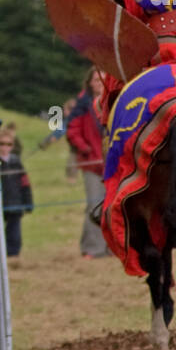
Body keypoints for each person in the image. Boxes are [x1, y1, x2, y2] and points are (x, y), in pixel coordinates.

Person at [66, 68, 109, 259]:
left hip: (112, 163)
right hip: (92, 163)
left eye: (103, 79)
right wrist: (85, 149)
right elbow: (72, 130)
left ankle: (110, 247)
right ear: (90, 82)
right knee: (94, 204)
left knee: (111, 206)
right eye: (96, 79)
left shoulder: (116, 100)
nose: (99, 82)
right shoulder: (82, 104)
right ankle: (93, 248)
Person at [0, 124, 33, 264]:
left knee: (14, 234)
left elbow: (25, 184)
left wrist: (28, 202)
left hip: (15, 203)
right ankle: (0, 258)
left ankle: (13, 258)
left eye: (8, 144)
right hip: (0, 204)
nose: (5, 147)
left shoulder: (16, 162)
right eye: (1, 144)